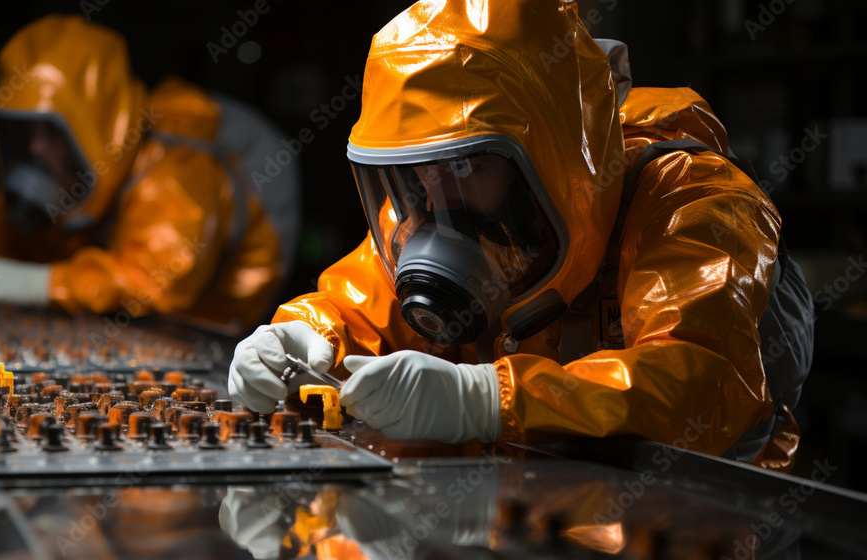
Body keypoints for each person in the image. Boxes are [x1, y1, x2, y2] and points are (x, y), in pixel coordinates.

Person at [229, 0, 814, 472]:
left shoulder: (693, 201)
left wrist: (486, 400)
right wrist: (299, 335)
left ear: (553, 160)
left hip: (698, 527)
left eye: (463, 166)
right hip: (513, 511)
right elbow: (358, 305)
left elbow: (700, 384)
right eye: (415, 172)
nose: (434, 201)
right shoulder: (438, 209)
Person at [0, 15, 299, 332]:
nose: (35, 148)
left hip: (206, 328)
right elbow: (14, 235)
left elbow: (156, 281)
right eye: (25, 132)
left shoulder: (174, 167)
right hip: (120, 330)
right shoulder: (67, 173)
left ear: (97, 123)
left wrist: (42, 284)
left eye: (50, 132)